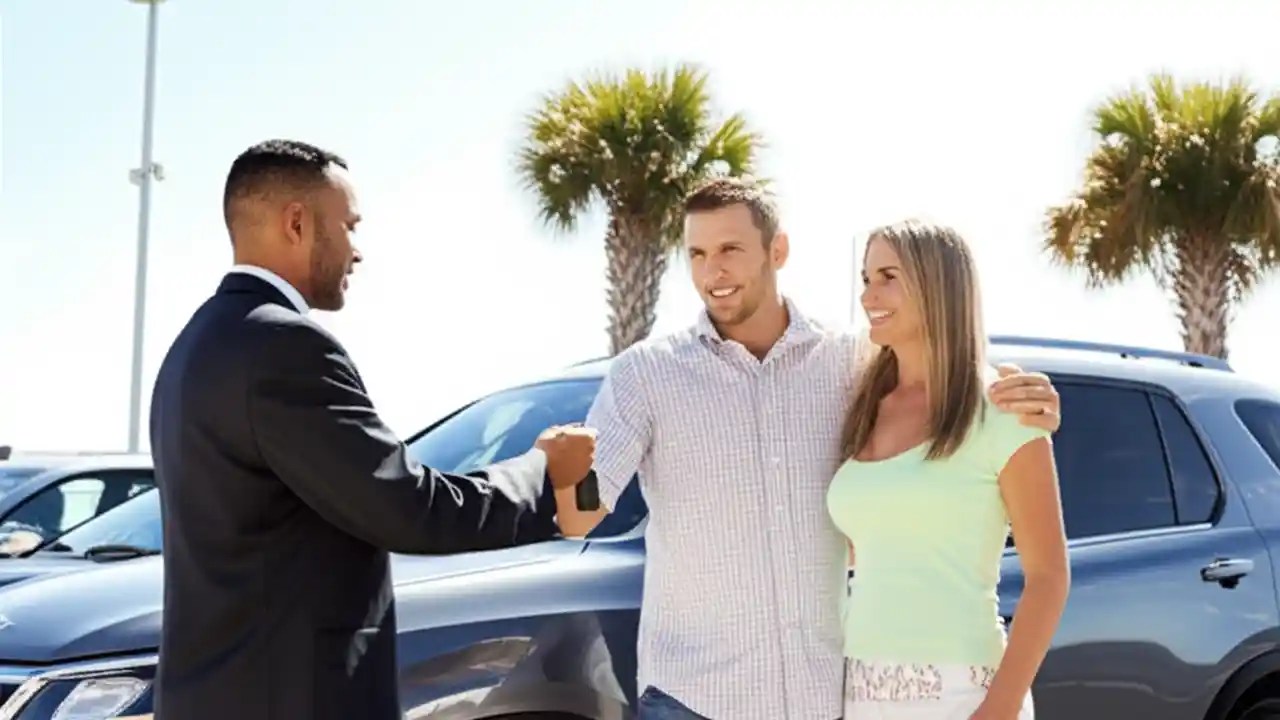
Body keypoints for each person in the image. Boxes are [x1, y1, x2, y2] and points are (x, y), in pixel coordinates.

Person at [558, 178, 1061, 720]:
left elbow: (944, 364)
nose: (712, 272)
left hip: (823, 698)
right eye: (697, 254)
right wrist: (566, 473)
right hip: (700, 698)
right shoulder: (647, 374)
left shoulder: (850, 363)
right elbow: (581, 515)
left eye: (730, 249)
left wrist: (1035, 397)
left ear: (778, 251)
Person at [148, 139, 596, 720]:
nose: (356, 251)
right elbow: (407, 506)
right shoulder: (284, 346)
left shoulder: (193, 346)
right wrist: (543, 471)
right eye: (349, 226)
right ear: (297, 223)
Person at [829, 220, 1070, 719]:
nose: (869, 294)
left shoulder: (1005, 408)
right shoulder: (862, 407)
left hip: (963, 694)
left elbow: (1049, 577)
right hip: (860, 691)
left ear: (938, 285)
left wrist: (998, 710)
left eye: (888, 276)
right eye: (866, 277)